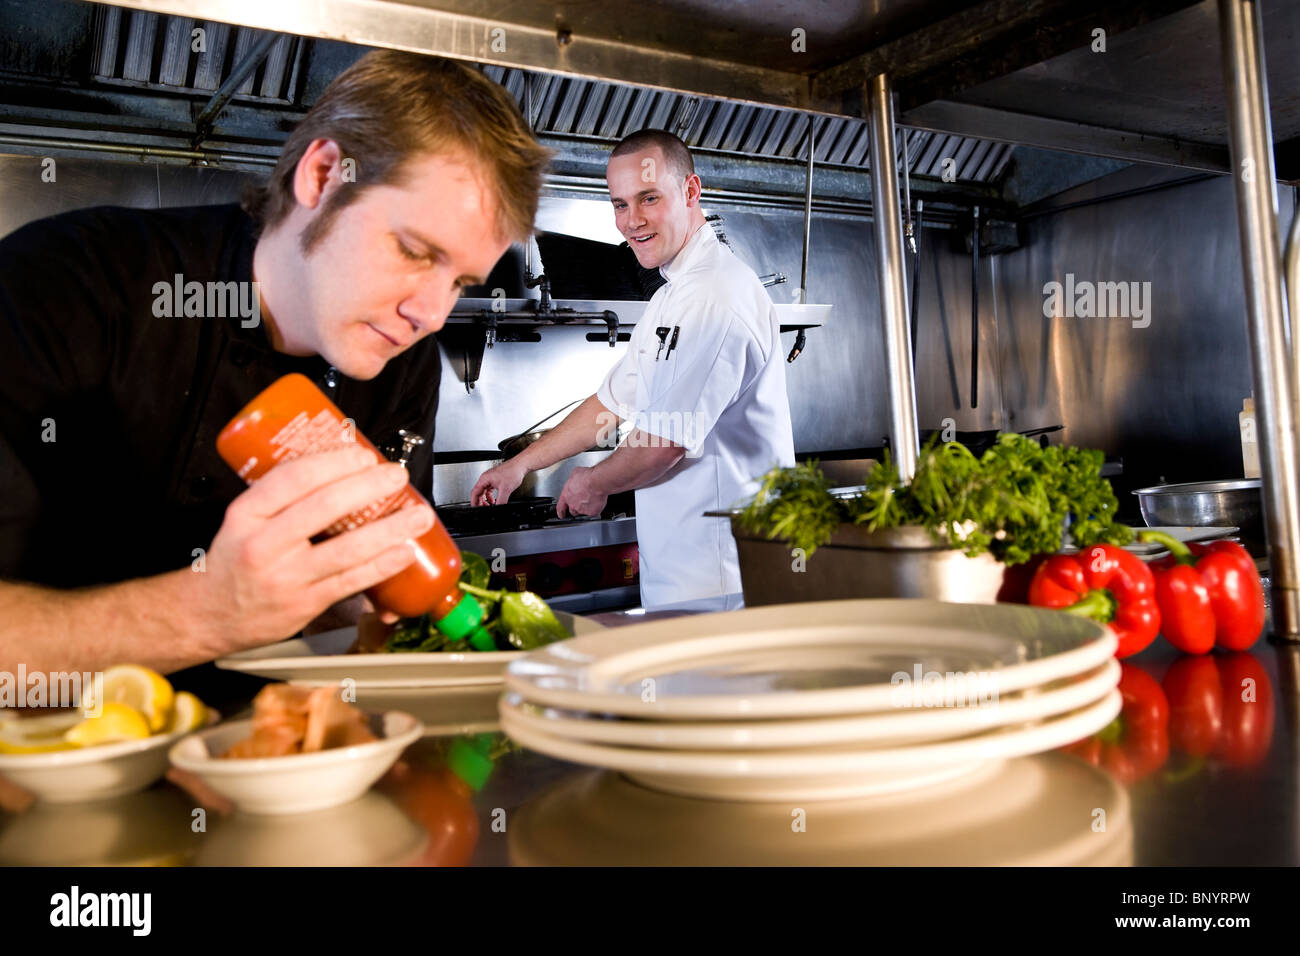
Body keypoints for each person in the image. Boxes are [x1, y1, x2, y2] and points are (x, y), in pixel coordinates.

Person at [0, 50, 551, 677]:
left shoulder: (404, 360)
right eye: (413, 250)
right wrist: (204, 613)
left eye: (461, 281)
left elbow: (349, 601)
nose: (429, 313)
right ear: (321, 176)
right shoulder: (67, 284)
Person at [471, 129, 794, 611]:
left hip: (726, 578)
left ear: (690, 192)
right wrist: (520, 465)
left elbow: (663, 443)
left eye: (648, 199)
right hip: (686, 573)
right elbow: (611, 405)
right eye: (620, 205)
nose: (632, 221)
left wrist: (595, 480)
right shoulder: (672, 296)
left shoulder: (715, 297)